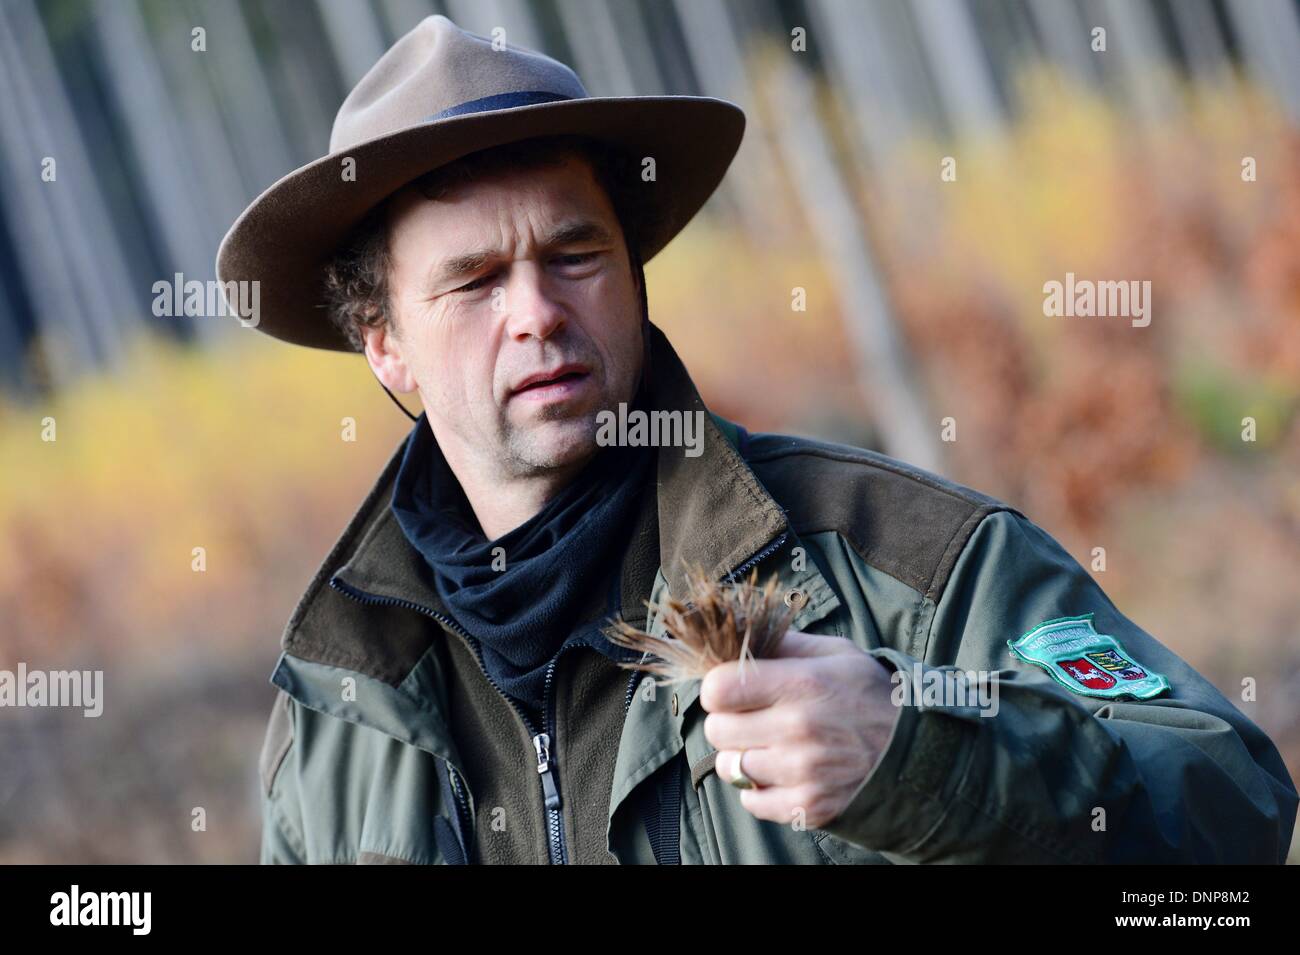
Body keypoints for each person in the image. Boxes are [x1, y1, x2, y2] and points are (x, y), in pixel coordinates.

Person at [218, 15, 1297, 864]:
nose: (536, 311)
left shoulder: (895, 562)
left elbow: (1230, 803)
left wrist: (922, 754)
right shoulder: (340, 709)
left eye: (574, 254)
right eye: (473, 281)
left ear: (633, 281)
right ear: (385, 347)